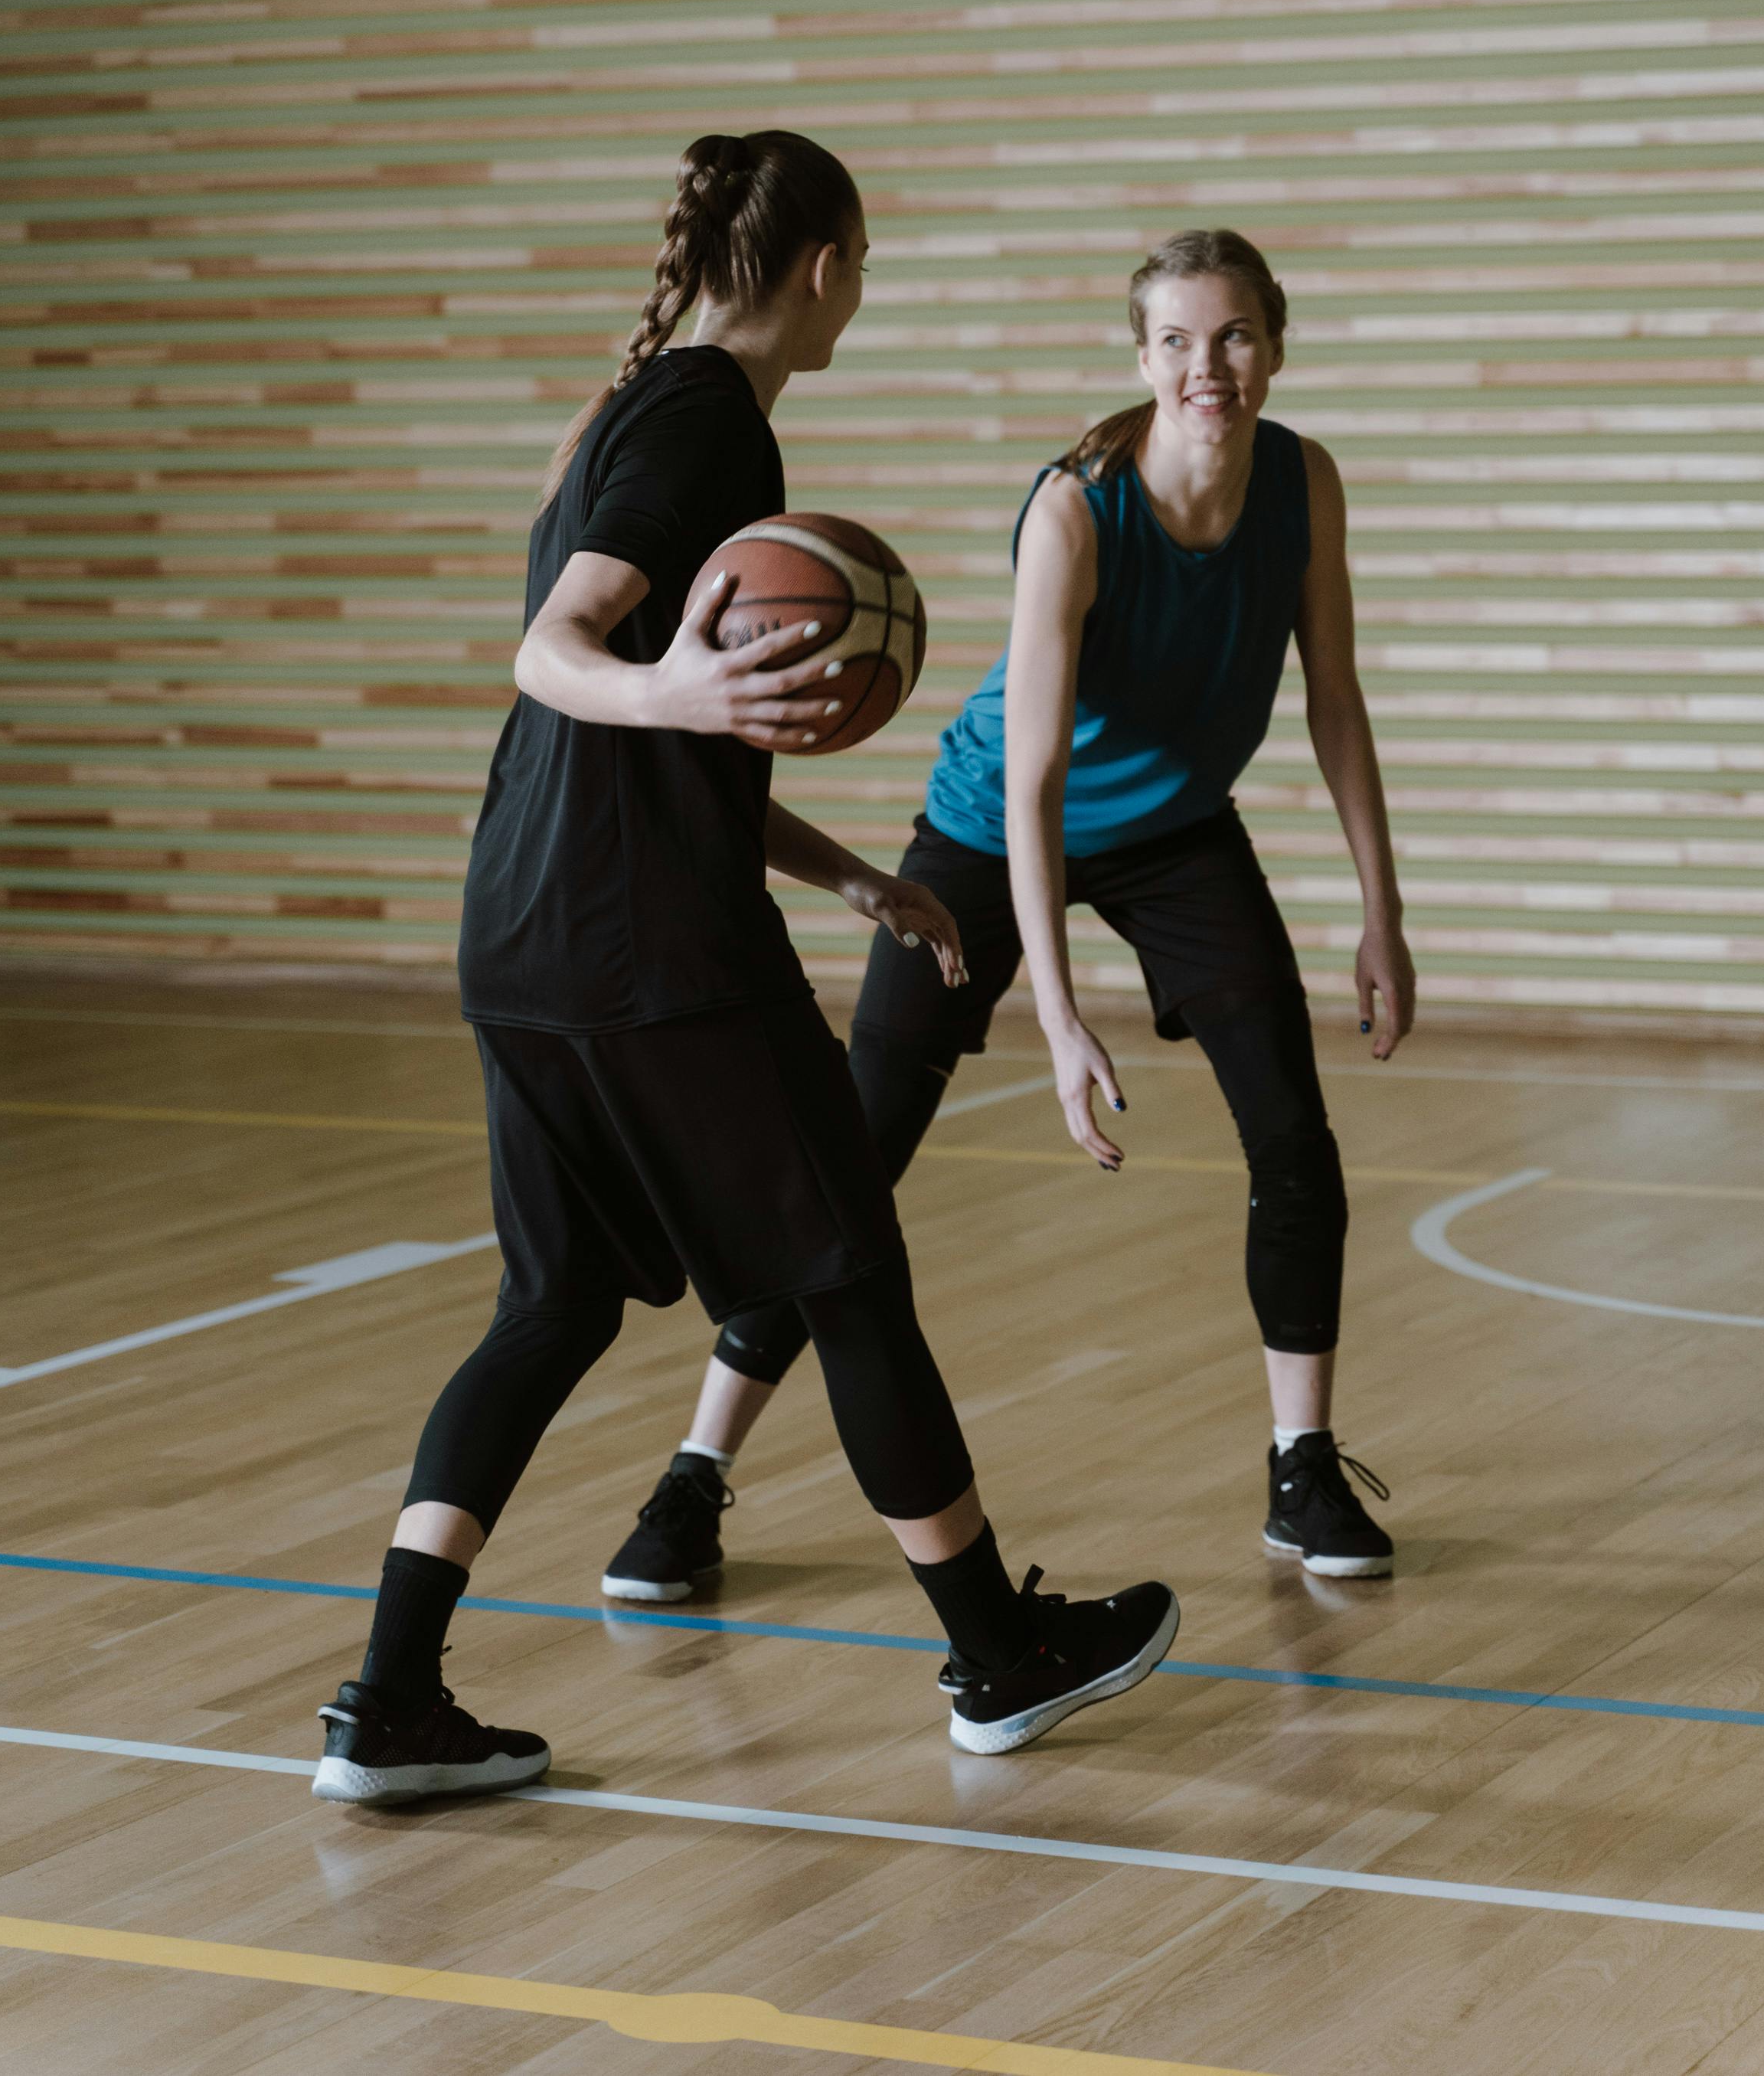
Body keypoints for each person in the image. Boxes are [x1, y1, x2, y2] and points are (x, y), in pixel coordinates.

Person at [312, 132, 1178, 1805]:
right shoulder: (708, 417)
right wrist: (697, 701)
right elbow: (557, 653)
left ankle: (389, 1696)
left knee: (553, 1302)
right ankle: (1000, 1652)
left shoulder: (625, 411)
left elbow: (641, 732)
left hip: (524, 928)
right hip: (650, 948)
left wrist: (845, 868)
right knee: (845, 1270)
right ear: (828, 266)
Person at [606, 227, 1414, 1609]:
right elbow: (1035, 778)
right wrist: (1053, 1015)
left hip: (1175, 832)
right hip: (989, 833)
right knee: (851, 1160)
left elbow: (1334, 700)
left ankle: (1302, 1462)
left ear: (1273, 345)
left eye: (1230, 337)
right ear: (1139, 356)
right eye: (1174, 340)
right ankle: (694, 1475)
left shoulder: (1302, 480)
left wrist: (1381, 913)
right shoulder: (1075, 506)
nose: (1204, 365)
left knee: (1292, 1129)